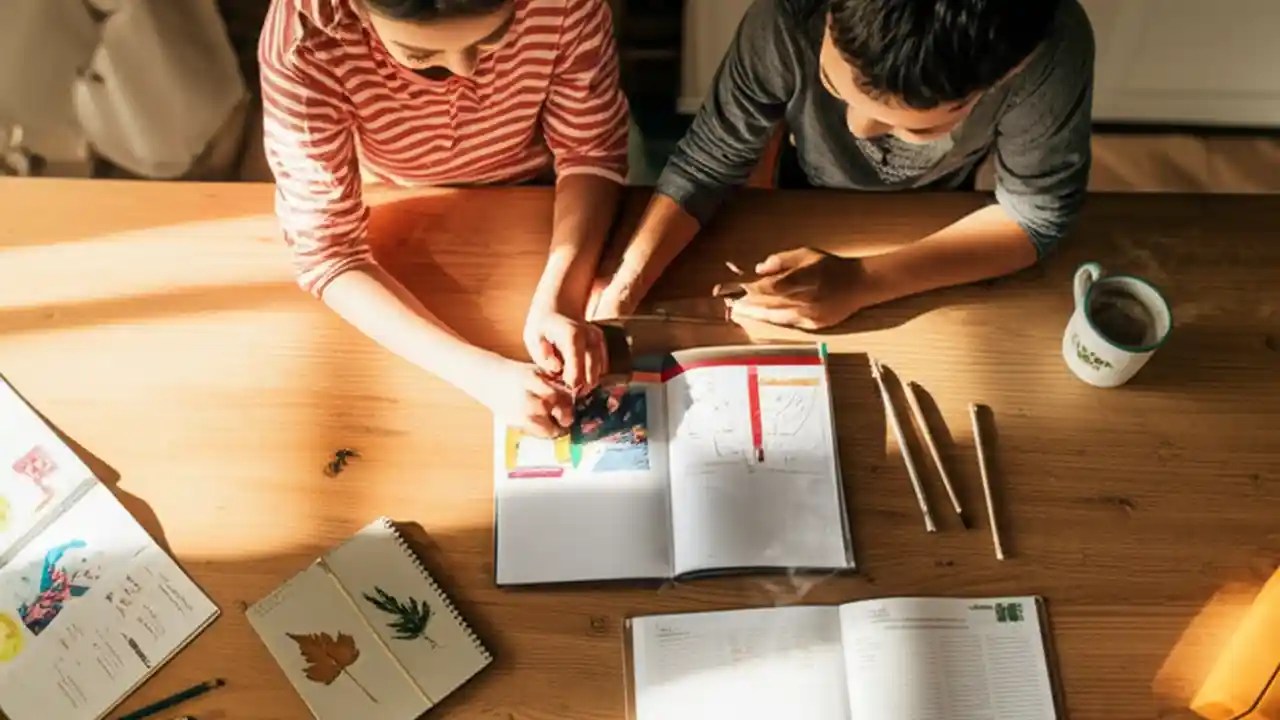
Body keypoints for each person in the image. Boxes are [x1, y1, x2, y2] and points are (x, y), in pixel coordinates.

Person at [591, 0, 1093, 330]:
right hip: (800, 196)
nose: (856, 131)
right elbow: (709, 158)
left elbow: (1034, 215)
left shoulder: (1049, 52)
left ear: (1012, 72)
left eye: (913, 128)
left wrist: (866, 281)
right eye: (833, 87)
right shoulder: (789, 15)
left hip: (940, 219)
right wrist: (626, 282)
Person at [259, 0, 629, 436]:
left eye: (494, 37)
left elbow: (591, 151)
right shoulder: (302, 41)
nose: (466, 70)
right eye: (420, 56)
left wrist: (562, 295)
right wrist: (480, 375)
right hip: (404, 191)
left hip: (541, 188)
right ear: (356, 8)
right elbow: (327, 252)